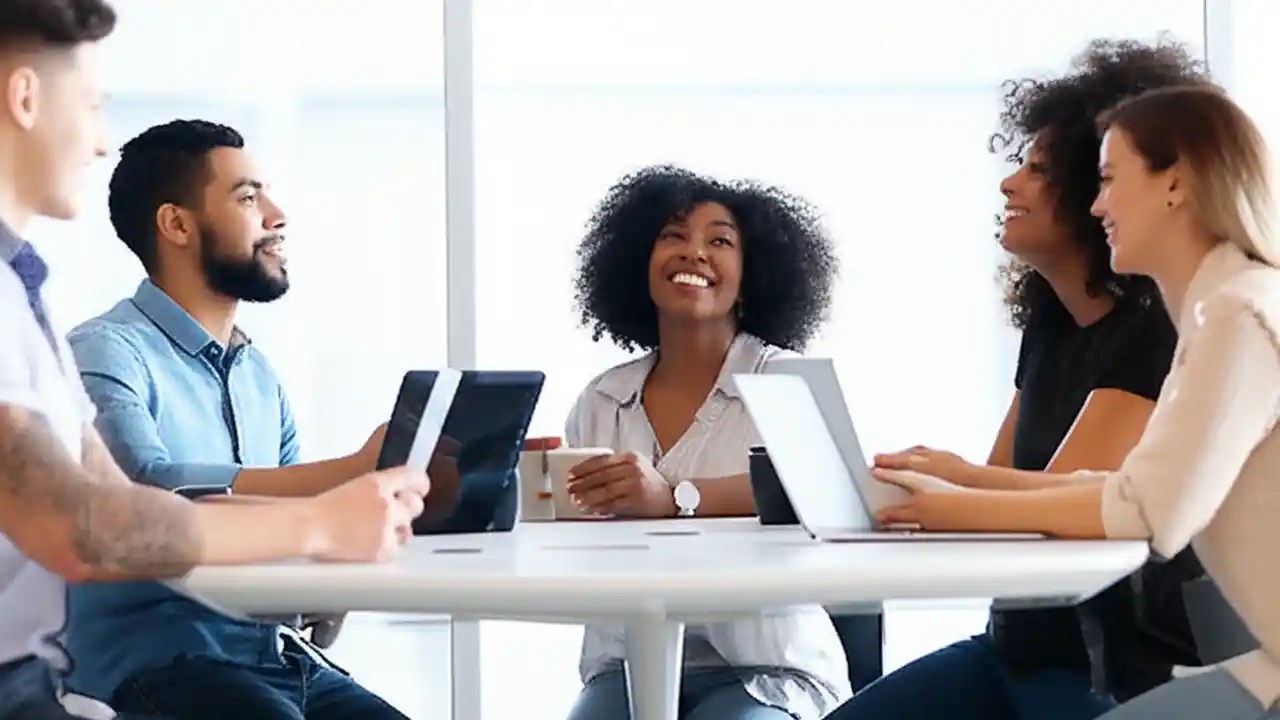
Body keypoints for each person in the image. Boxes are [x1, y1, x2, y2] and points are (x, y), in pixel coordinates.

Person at [0, 3, 426, 718]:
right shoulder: (87, 337)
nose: (102, 141)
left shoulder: (25, 295)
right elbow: (85, 525)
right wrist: (318, 520)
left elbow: (117, 497)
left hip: (192, 661)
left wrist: (339, 528)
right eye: (93, 105)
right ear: (25, 98)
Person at [823, 40, 1209, 720]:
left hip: (1114, 672)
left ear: (1095, 190)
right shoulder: (1052, 328)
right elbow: (1002, 483)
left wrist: (952, 483)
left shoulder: (1158, 330)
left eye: (1036, 169)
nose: (1009, 185)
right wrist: (915, 484)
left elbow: (1064, 505)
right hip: (1015, 651)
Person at [63, 120, 409, 719]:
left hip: (279, 657)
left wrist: (331, 577)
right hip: (159, 660)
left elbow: (291, 515)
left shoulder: (259, 375)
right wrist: (352, 473)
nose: (278, 216)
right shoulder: (105, 350)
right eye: (248, 198)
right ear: (176, 225)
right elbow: (147, 489)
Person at [563, 165, 848, 719]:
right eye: (673, 235)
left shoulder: (787, 382)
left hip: (770, 668)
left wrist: (673, 497)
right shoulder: (601, 400)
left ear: (753, 274)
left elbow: (828, 490)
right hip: (627, 666)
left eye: (719, 241)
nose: (693, 252)